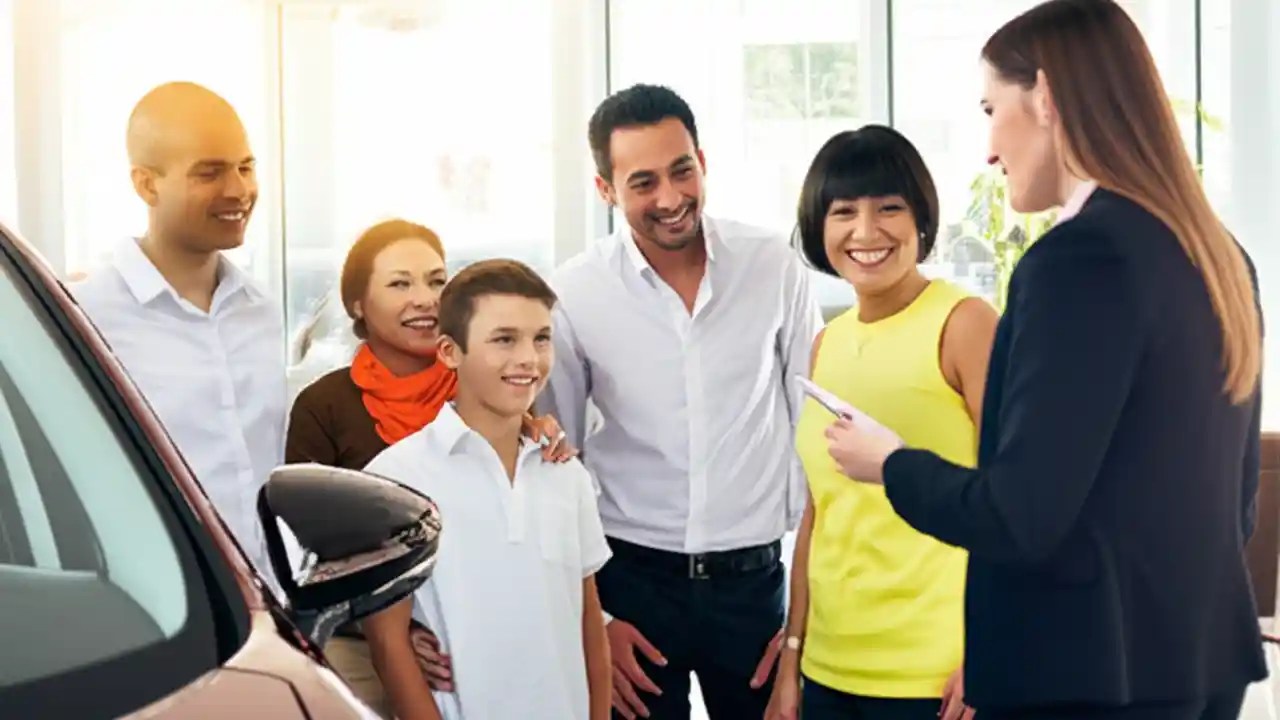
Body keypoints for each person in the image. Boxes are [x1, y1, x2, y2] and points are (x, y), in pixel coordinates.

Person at [823, 1, 1266, 718]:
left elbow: (1019, 517)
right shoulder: (1220, 254)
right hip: (1199, 659)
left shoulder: (1076, 261)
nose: (989, 149)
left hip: (1084, 676)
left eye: (991, 107)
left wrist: (891, 463)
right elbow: (1235, 497)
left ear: (1048, 96)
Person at [538, 83, 824, 719]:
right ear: (605, 190)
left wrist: (808, 620)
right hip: (632, 584)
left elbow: (813, 432)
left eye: (682, 171)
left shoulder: (772, 266)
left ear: (703, 161)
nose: (670, 199)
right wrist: (598, 617)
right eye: (643, 183)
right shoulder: (575, 293)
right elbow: (553, 462)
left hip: (754, 587)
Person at [286, 219, 575, 717]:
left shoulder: (493, 388)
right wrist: (397, 630)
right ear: (357, 303)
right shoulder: (324, 405)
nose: (425, 298)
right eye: (401, 283)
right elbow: (309, 555)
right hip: (360, 636)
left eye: (437, 281)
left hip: (476, 629)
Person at [766, 126, 996, 720]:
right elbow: (821, 513)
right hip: (830, 669)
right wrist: (792, 658)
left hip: (936, 674)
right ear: (820, 227)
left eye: (888, 208)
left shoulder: (964, 324)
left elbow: (1018, 500)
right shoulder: (826, 345)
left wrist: (994, 650)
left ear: (921, 218)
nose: (866, 232)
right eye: (844, 212)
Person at [362, 259, 612, 720]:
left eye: (541, 338)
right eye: (504, 339)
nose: (529, 359)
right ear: (449, 352)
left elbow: (588, 622)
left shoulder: (565, 472)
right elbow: (388, 642)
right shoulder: (396, 480)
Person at [72, 81, 282, 580]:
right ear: (147, 185)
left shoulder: (261, 311)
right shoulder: (87, 318)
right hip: (158, 611)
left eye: (246, 167)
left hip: (266, 608)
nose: (238, 190)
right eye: (209, 173)